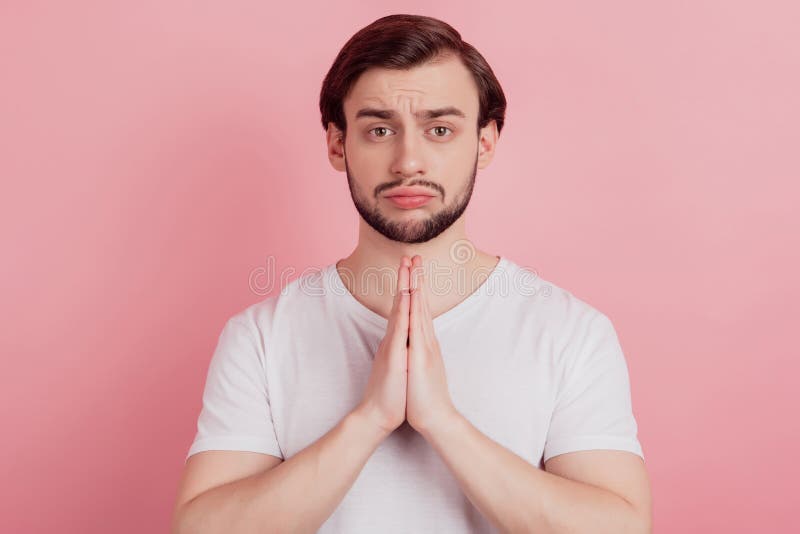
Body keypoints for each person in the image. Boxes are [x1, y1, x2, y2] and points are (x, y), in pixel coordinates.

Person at [171, 13, 652, 534]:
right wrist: (369, 420)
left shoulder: (571, 333)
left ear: (485, 143)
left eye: (439, 129)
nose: (408, 161)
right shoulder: (261, 337)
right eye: (379, 129)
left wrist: (441, 421)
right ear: (337, 144)